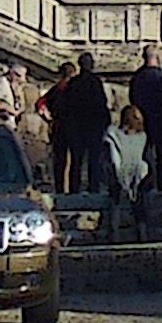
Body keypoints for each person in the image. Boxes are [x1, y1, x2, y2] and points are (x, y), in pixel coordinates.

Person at [41, 52, 115, 207]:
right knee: (93, 160)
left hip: (77, 127)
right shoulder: (95, 82)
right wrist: (105, 123)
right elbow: (101, 104)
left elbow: (66, 106)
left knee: (77, 159)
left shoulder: (74, 84)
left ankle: (75, 189)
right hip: (91, 126)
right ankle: (92, 187)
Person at [125, 47, 162, 230]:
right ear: (158, 57)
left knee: (146, 155)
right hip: (161, 120)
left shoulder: (137, 77)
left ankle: (147, 183)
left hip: (143, 120)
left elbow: (132, 98)